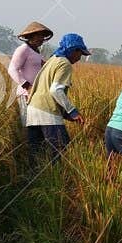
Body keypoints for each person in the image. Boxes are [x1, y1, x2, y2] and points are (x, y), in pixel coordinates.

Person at [25, 32, 91, 162]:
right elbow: (56, 90)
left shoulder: (53, 59)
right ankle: (57, 180)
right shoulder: (64, 63)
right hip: (47, 112)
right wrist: (72, 111)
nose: (79, 58)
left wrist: (65, 115)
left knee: (36, 154)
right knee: (60, 152)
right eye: (80, 53)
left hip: (33, 111)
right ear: (73, 50)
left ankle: (37, 179)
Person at [8, 22, 53, 137]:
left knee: (36, 125)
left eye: (43, 36)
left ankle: (36, 152)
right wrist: (27, 86)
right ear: (30, 36)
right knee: (28, 126)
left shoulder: (36, 52)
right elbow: (12, 69)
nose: (41, 38)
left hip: (36, 94)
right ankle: (28, 151)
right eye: (38, 35)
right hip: (25, 93)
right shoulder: (23, 49)